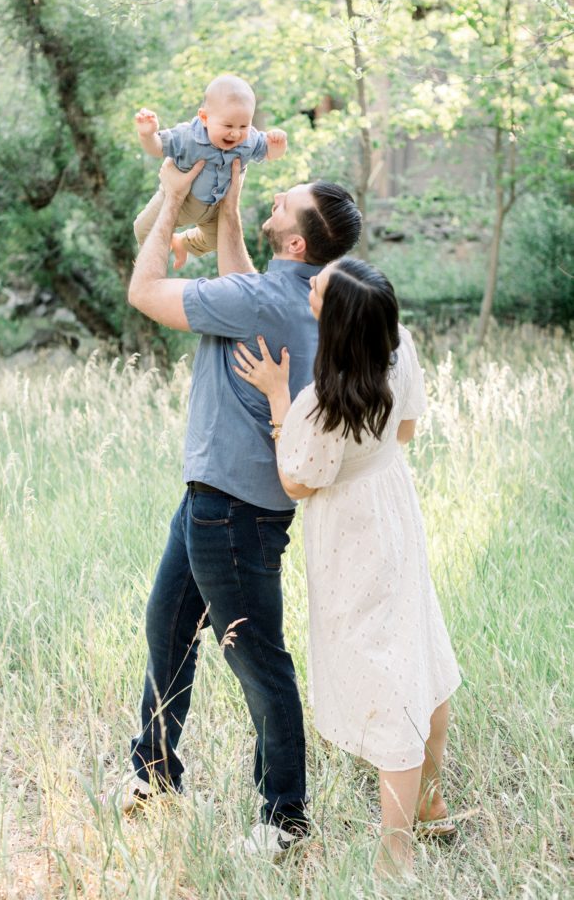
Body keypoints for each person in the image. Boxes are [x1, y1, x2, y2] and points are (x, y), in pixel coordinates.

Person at [123, 155, 361, 856]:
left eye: (284, 201)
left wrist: (171, 200)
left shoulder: (261, 301)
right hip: (216, 499)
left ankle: (283, 818)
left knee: (258, 660)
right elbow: (240, 277)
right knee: (167, 625)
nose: (277, 197)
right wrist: (231, 208)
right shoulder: (287, 293)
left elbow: (143, 290)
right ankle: (154, 771)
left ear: (293, 241)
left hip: (230, 511)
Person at [232, 257, 461, 878]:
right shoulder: (399, 350)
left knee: (384, 675)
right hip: (394, 511)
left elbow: (297, 480)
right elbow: (407, 429)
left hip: (350, 539)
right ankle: (432, 803)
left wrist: (278, 396)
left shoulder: (321, 403)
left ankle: (397, 854)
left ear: (334, 323)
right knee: (417, 648)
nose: (309, 283)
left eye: (318, 287)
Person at [134, 74, 287, 269]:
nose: (236, 133)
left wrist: (278, 144)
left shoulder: (249, 141)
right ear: (204, 118)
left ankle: (182, 243)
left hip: (214, 208)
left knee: (220, 241)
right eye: (228, 125)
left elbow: (271, 154)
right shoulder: (187, 137)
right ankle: (150, 262)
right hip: (179, 200)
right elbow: (157, 148)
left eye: (244, 126)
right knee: (142, 229)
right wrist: (147, 135)